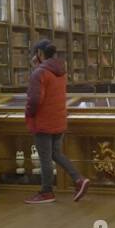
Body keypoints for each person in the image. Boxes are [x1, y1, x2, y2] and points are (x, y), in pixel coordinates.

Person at [24, 40, 90, 204]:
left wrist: (28, 113)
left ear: (39, 54)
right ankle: (79, 179)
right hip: (58, 119)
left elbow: (34, 99)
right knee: (56, 153)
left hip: (43, 121)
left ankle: (47, 192)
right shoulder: (60, 71)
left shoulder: (39, 73)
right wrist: (37, 68)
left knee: (45, 158)